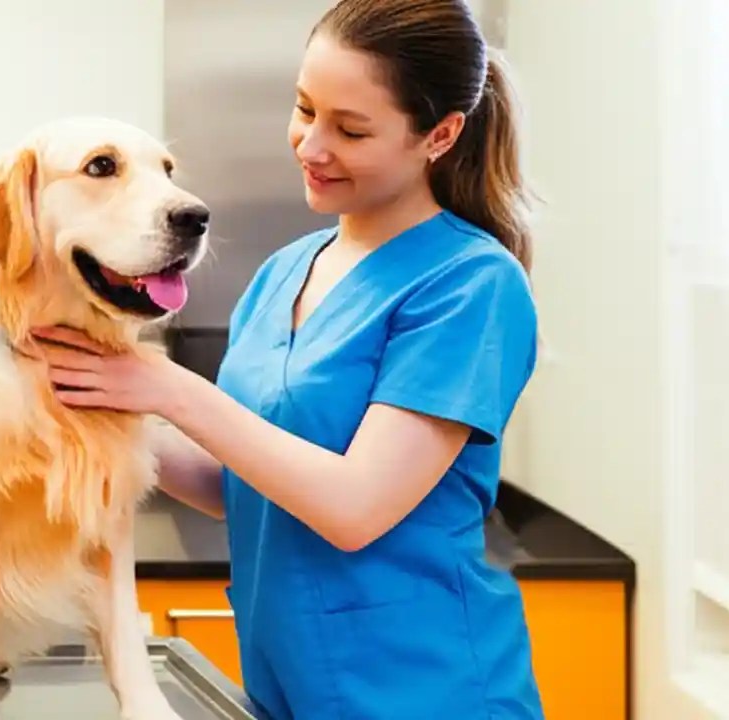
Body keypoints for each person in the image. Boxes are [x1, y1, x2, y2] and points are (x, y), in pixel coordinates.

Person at [30, 0, 545, 718]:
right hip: (287, 687)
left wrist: (167, 388)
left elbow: (355, 507)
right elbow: (238, 486)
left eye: (351, 129)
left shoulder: (471, 284)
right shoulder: (285, 273)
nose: (311, 145)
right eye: (305, 109)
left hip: (426, 689)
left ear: (441, 135)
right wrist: (78, 400)